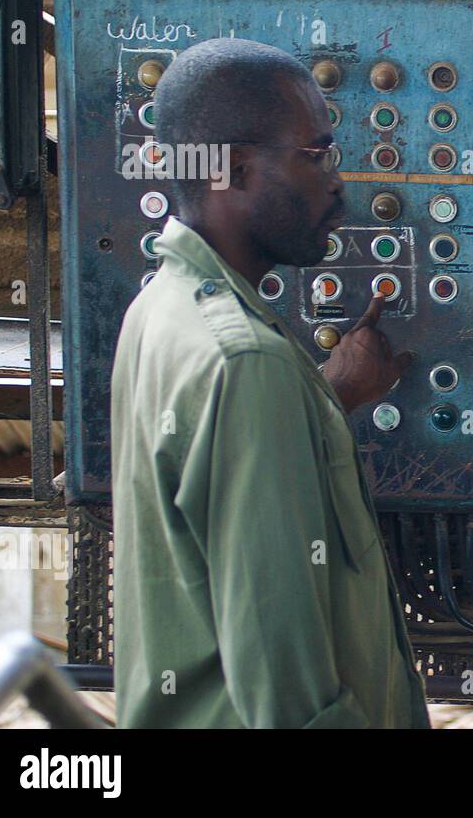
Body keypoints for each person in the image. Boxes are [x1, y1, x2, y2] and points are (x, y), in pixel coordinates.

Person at [111, 38, 429, 728]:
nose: (338, 181)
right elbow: (286, 689)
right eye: (314, 156)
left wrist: (327, 395)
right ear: (234, 169)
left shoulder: (164, 311)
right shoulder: (245, 364)